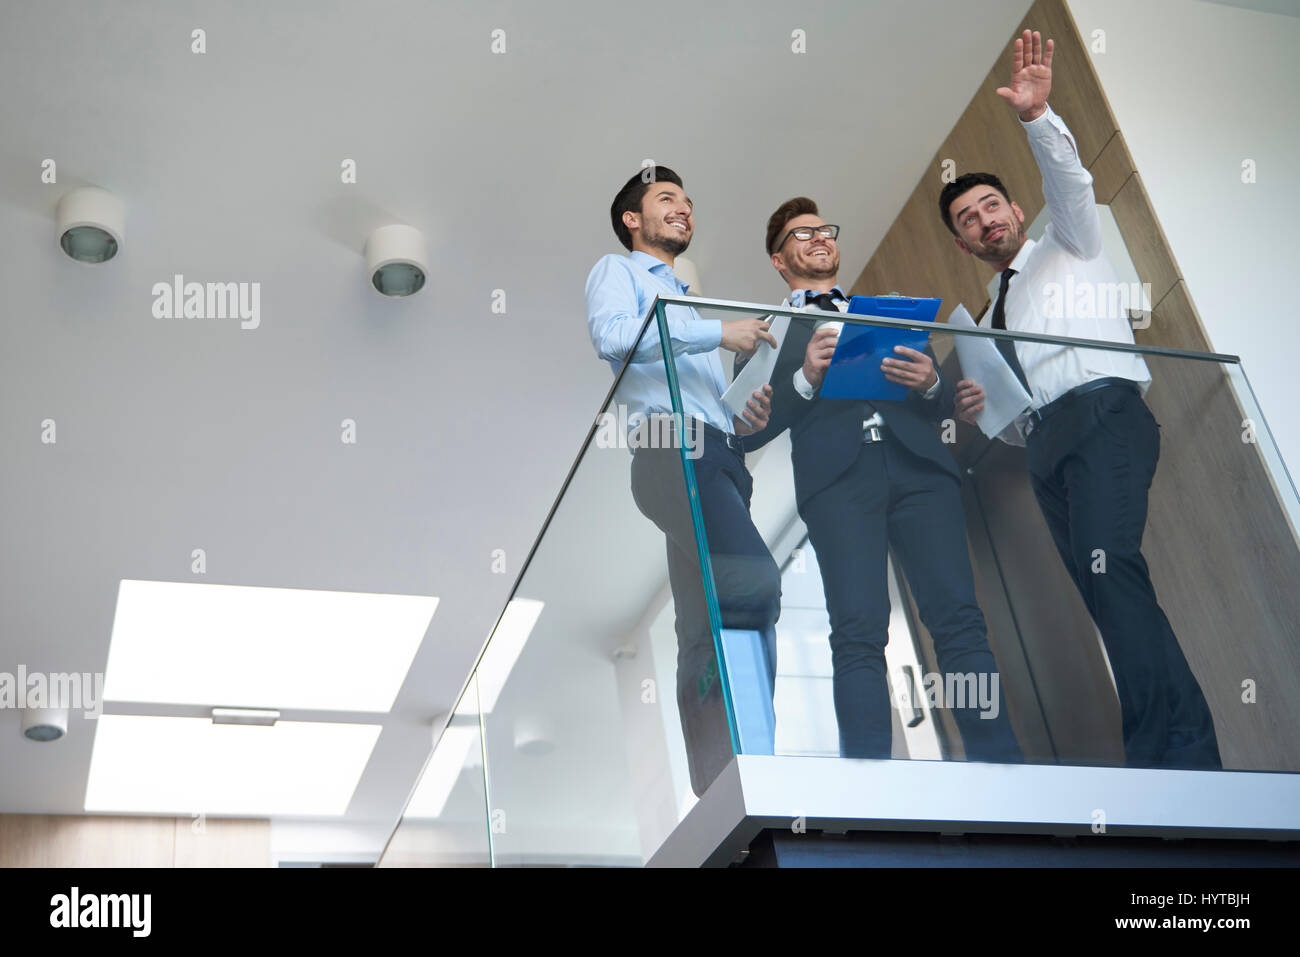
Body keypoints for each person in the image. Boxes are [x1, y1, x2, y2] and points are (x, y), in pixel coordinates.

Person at [941, 30, 1220, 769]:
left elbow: (1071, 181)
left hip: (1104, 418)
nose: (983, 220)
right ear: (965, 245)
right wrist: (988, 411)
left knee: (1111, 568)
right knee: (1110, 591)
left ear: (1013, 209)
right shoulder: (995, 312)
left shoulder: (1070, 242)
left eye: (989, 205)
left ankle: (1158, 750)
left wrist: (1036, 119)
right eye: (967, 221)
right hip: (1043, 450)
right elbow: (1014, 419)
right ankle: (1190, 753)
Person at [739, 196, 1021, 763]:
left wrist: (931, 385)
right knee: (857, 630)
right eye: (801, 234)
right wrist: (805, 376)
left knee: (960, 620)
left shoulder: (888, 309)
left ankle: (1001, 764)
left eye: (824, 230)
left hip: (922, 471)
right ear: (779, 259)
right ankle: (867, 777)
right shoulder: (764, 334)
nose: (818, 238)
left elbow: (937, 400)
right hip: (839, 486)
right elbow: (749, 429)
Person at [586, 166, 782, 795]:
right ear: (631, 220)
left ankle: (719, 785)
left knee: (701, 623)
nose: (684, 210)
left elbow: (706, 398)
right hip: (670, 449)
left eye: (689, 202)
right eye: (667, 199)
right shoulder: (617, 272)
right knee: (752, 582)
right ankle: (756, 762)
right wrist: (717, 331)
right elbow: (612, 338)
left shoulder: (681, 298)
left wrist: (742, 404)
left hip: (718, 455)